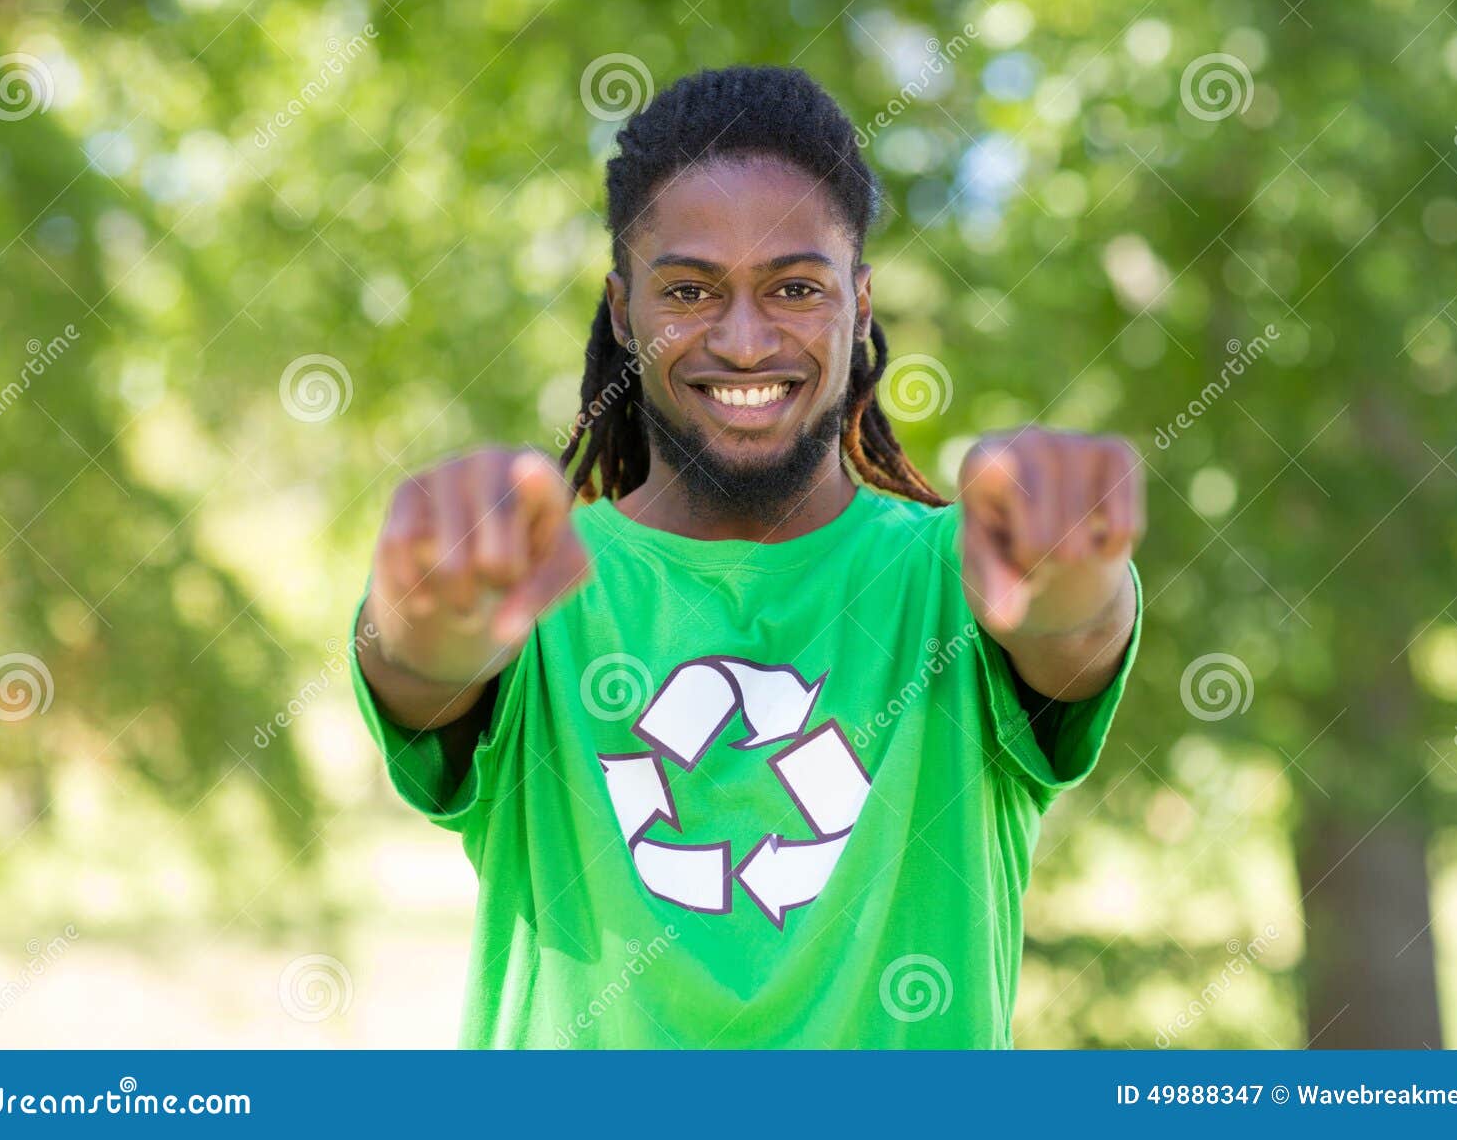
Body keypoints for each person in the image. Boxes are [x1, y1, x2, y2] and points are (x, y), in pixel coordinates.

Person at [349, 65, 1143, 1048]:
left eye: (794, 287)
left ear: (859, 303)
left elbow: (1074, 624)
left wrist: (1064, 567)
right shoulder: (535, 579)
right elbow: (417, 656)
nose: (743, 337)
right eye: (688, 289)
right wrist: (425, 600)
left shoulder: (955, 580)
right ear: (622, 307)